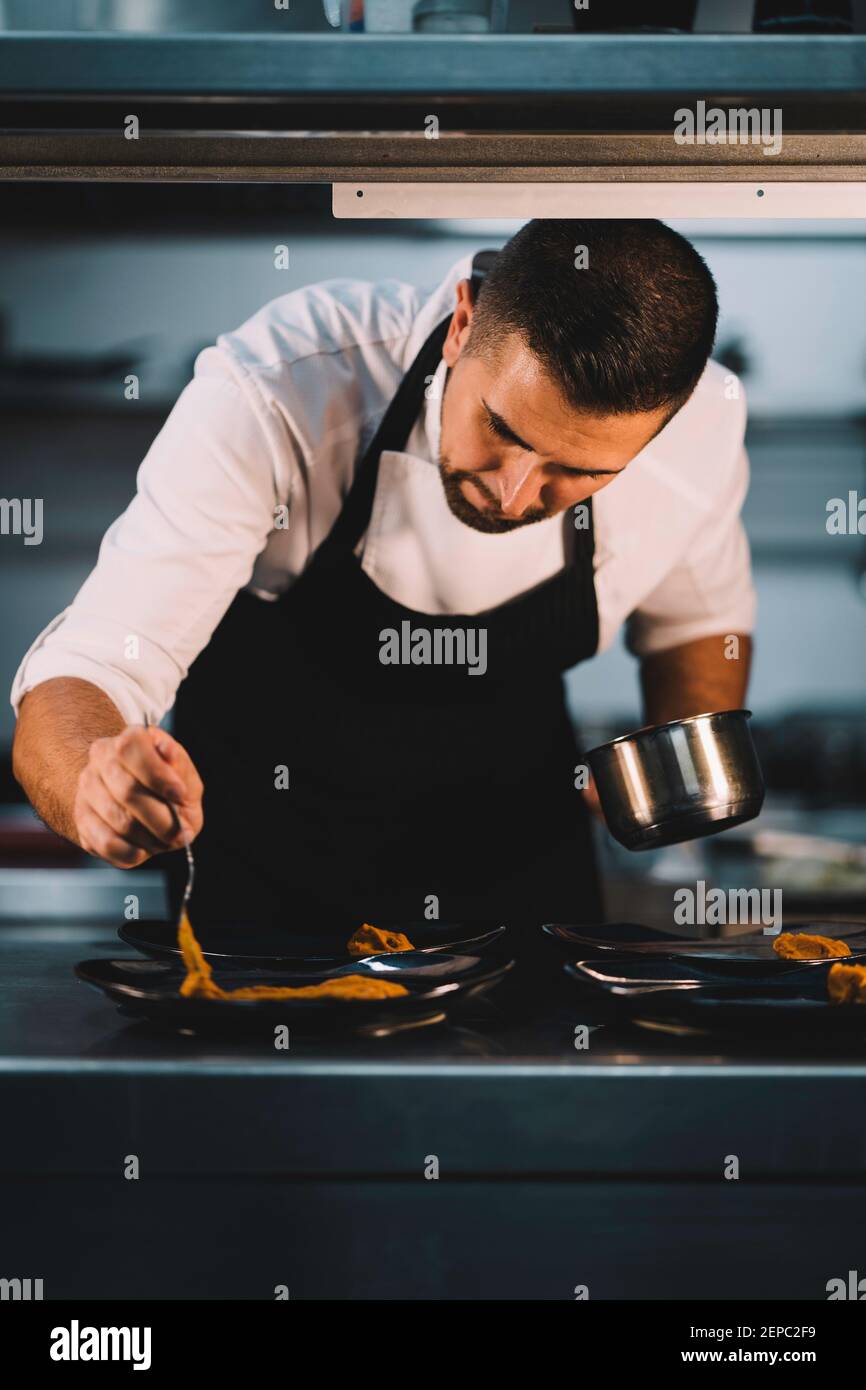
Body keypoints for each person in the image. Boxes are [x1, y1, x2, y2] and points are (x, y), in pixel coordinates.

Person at [11, 219, 754, 936]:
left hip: (516, 875)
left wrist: (677, 776)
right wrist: (94, 784)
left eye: (578, 471)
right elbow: (97, 662)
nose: (515, 492)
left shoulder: (703, 426)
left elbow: (696, 623)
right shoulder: (282, 385)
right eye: (501, 429)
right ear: (464, 322)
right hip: (269, 874)